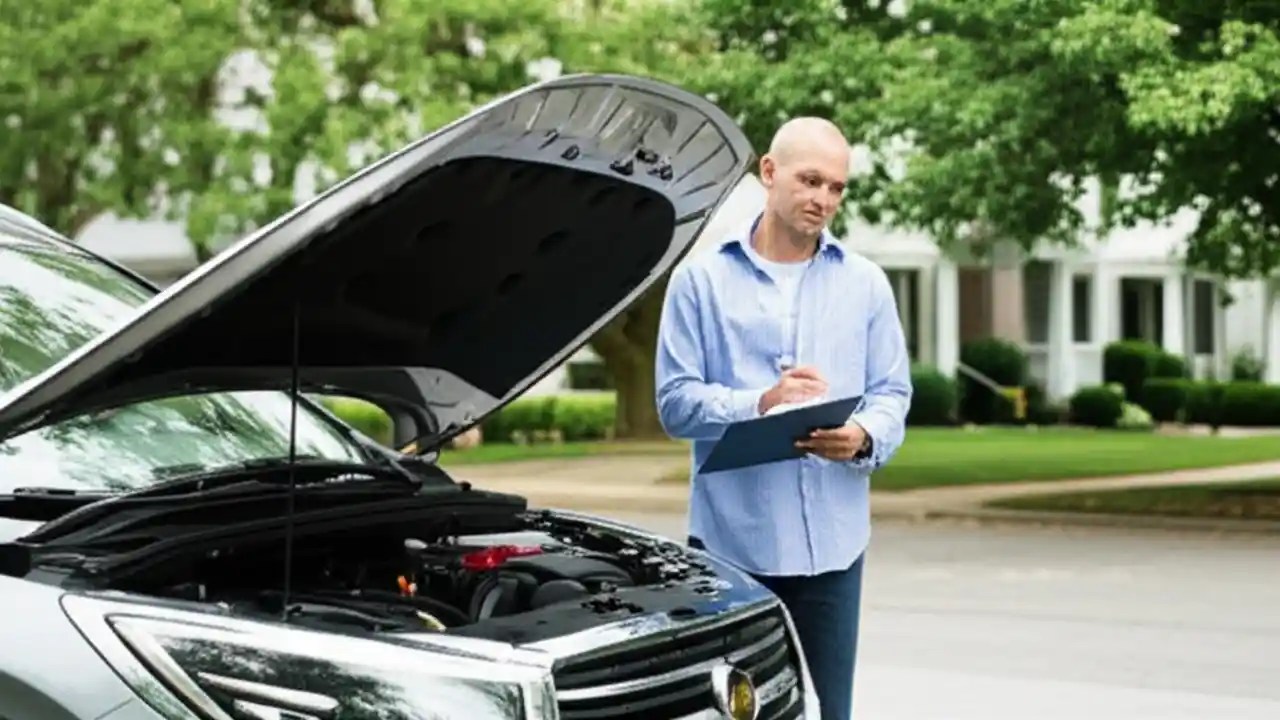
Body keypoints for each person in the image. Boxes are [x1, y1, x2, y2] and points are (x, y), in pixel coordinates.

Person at [654, 117, 912, 720]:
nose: (824, 199)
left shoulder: (867, 285)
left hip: (834, 551)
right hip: (731, 550)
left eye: (837, 188)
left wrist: (864, 436)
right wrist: (760, 403)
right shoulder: (700, 282)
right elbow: (674, 404)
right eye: (811, 180)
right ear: (769, 173)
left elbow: (892, 392)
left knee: (830, 714)